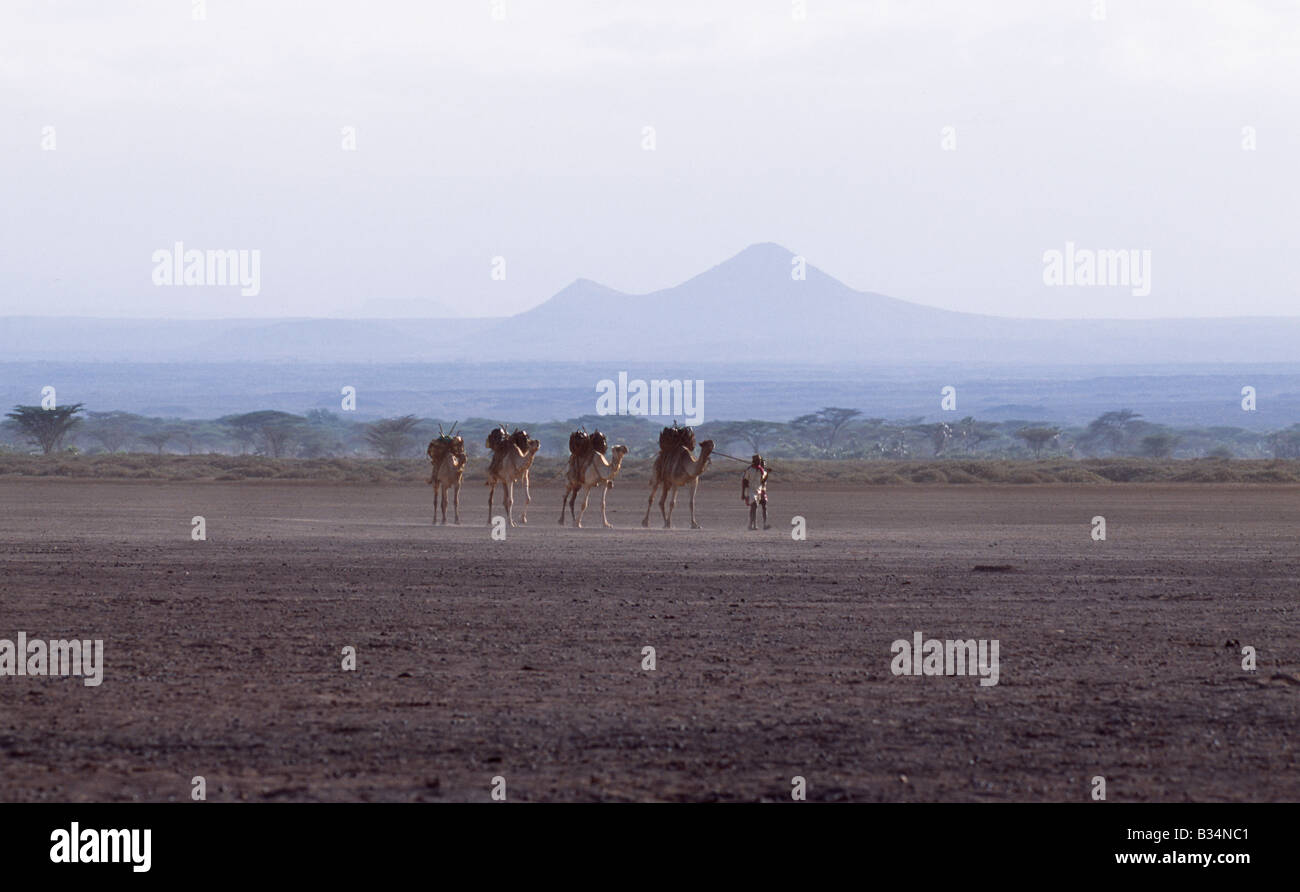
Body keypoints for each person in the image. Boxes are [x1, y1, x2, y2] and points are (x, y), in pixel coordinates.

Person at [741, 454, 770, 530]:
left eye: (760, 460)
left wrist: (767, 474)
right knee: (754, 506)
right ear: (754, 461)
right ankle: (751, 525)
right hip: (750, 490)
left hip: (758, 491)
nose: (759, 461)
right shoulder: (749, 470)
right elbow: (744, 481)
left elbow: (762, 481)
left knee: (758, 507)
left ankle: (756, 525)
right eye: (758, 460)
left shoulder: (761, 470)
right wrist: (743, 493)